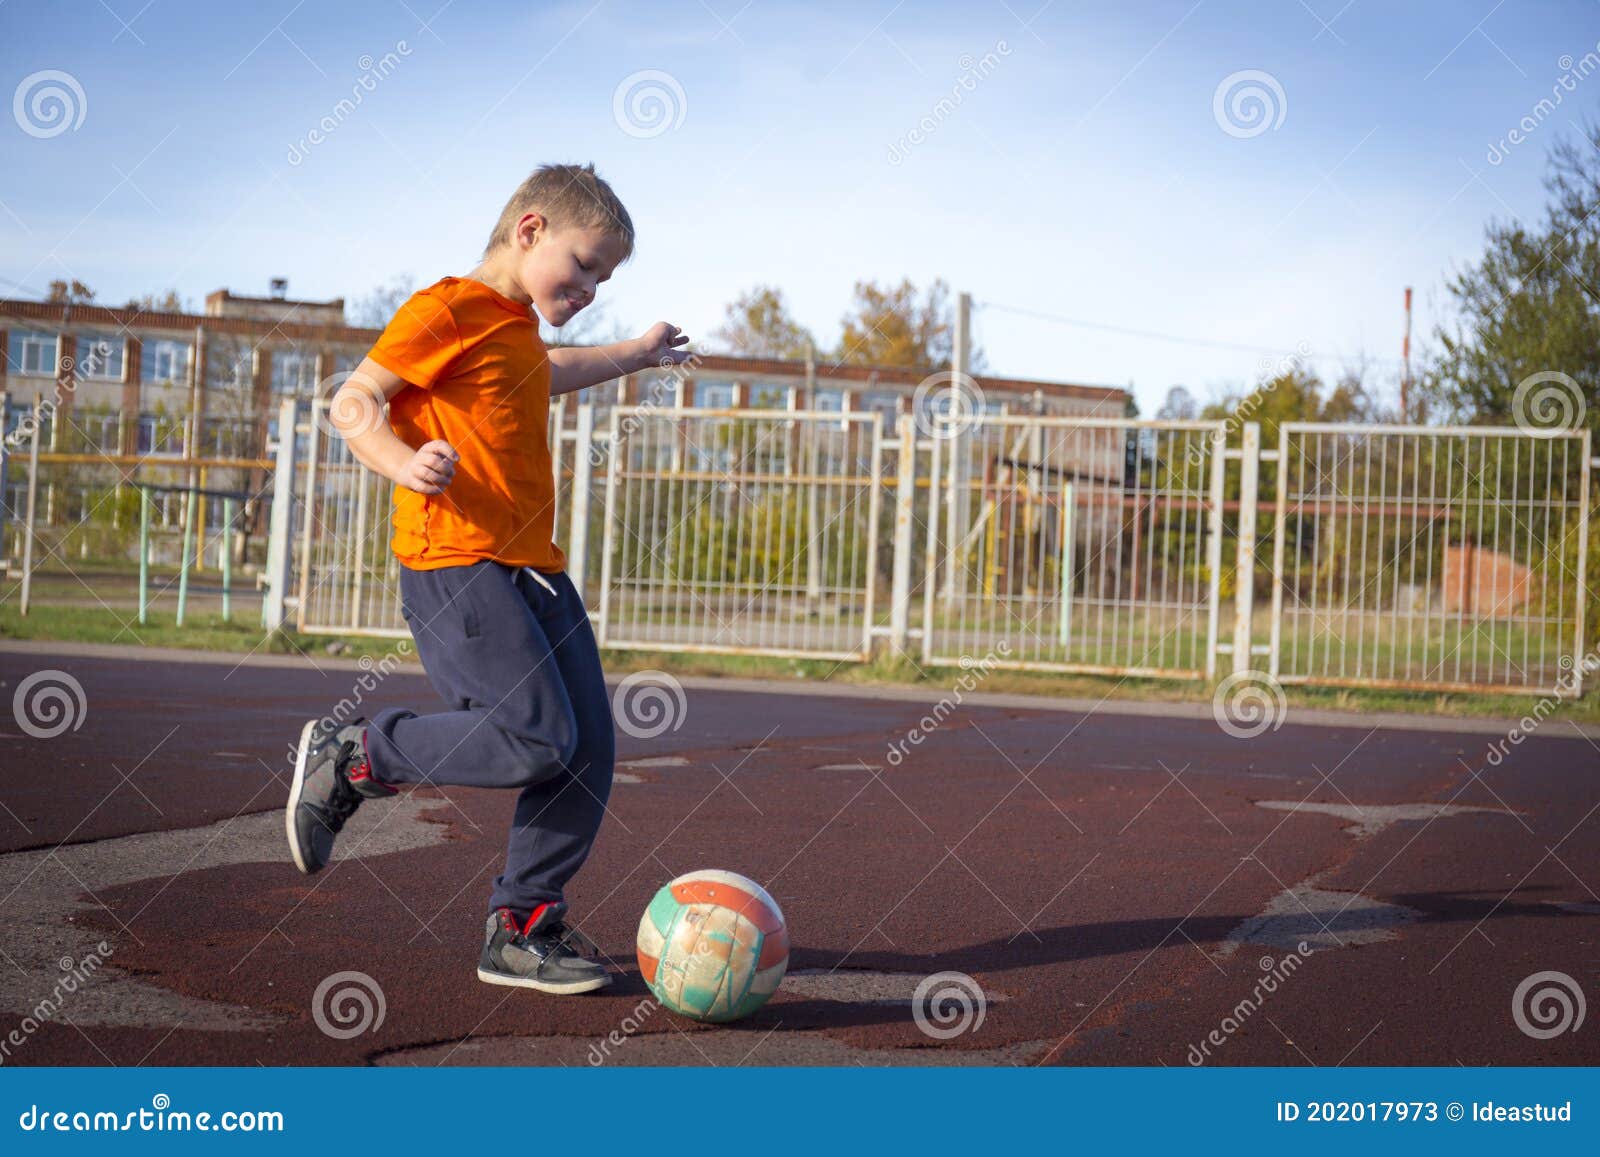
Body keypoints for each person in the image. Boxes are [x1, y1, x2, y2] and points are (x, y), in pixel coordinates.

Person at [283, 163, 690, 994]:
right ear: (530, 229)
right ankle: (357, 754)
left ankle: (523, 927)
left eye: (602, 280)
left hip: (535, 570)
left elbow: (552, 372)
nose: (586, 289)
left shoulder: (513, 330)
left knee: (586, 753)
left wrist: (638, 354)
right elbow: (352, 401)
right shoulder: (447, 308)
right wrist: (403, 460)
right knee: (536, 736)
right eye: (582, 266)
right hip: (457, 561)